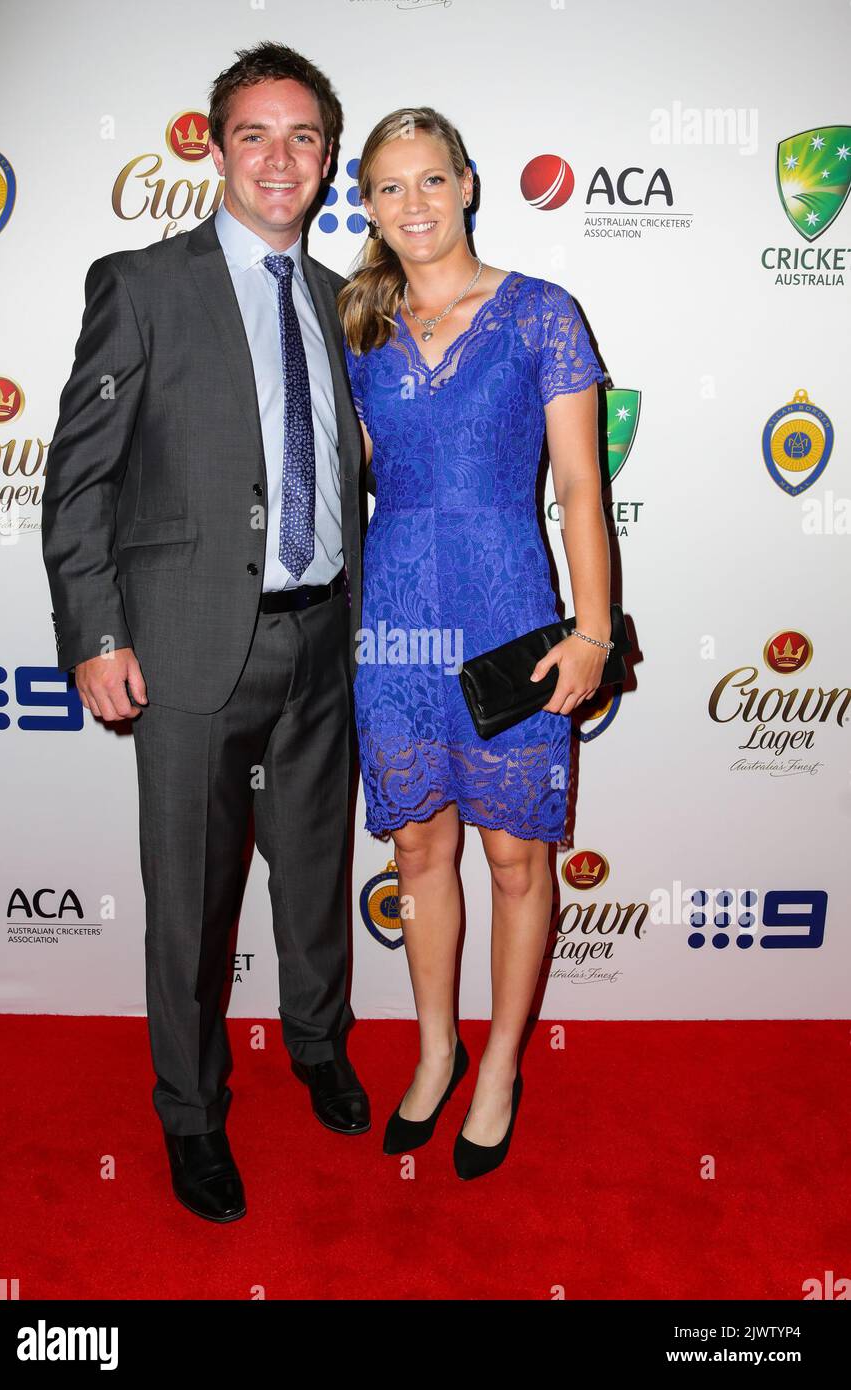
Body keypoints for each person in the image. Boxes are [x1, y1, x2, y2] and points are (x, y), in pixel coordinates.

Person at [40, 42, 373, 1224]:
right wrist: (93, 631)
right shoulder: (139, 283)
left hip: (322, 639)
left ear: (326, 156)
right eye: (254, 134)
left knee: (317, 877)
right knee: (187, 899)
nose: (278, 158)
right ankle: (189, 1111)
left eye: (302, 137)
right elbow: (78, 481)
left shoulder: (345, 298)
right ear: (214, 144)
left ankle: (320, 1044)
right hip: (181, 645)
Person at [338, 108, 611, 1180]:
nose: (413, 205)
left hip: (506, 610)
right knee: (416, 849)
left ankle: (498, 1064)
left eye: (430, 181)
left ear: (467, 184)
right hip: (394, 620)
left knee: (512, 855)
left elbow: (583, 489)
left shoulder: (541, 314)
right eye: (388, 187)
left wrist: (591, 629)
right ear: (365, 203)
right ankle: (434, 1046)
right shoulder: (358, 329)